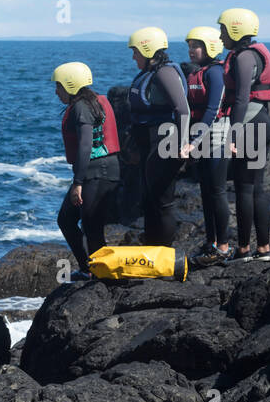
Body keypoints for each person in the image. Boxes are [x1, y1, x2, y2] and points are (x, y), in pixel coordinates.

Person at [217, 7, 270, 262]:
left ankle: (243, 250)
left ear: (235, 30)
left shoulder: (242, 58)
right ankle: (263, 249)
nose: (220, 37)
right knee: (257, 189)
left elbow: (240, 99)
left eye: (223, 31)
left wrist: (233, 134)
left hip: (249, 125)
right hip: (261, 122)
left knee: (243, 188)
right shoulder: (252, 54)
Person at [52, 62, 121, 280]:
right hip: (99, 169)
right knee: (67, 219)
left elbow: (85, 145)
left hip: (97, 171)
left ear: (71, 85)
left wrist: (78, 182)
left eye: (59, 87)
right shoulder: (90, 101)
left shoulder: (82, 107)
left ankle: (101, 277)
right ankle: (89, 269)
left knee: (92, 226)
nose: (56, 91)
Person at [126, 27, 191, 246]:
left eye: (135, 51)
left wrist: (182, 145)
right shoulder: (152, 72)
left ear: (147, 49)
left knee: (163, 201)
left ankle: (164, 252)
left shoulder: (165, 73)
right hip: (151, 142)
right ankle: (152, 247)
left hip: (165, 141)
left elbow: (183, 109)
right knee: (150, 198)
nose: (134, 56)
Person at [185, 26, 232, 267]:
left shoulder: (215, 73)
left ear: (210, 46)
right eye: (190, 45)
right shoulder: (197, 73)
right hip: (200, 136)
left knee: (217, 191)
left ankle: (223, 247)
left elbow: (213, 111)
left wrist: (193, 142)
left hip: (216, 136)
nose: (192, 50)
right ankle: (211, 242)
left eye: (197, 45)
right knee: (205, 192)